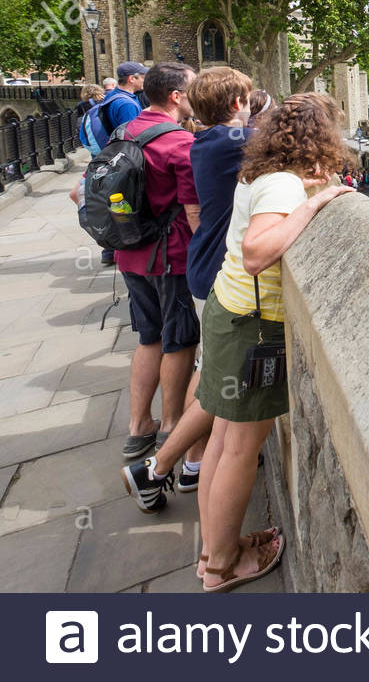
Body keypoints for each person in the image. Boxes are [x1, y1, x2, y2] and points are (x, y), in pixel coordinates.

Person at [195, 92, 354, 592]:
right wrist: (319, 201)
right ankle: (223, 566)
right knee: (241, 449)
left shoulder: (264, 173)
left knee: (221, 441)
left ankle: (212, 550)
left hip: (227, 310)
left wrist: (301, 193)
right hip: (251, 327)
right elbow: (257, 251)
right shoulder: (284, 184)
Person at [122, 66, 256, 513]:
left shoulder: (192, 139)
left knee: (201, 362)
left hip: (177, 263)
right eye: (248, 99)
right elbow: (287, 138)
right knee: (214, 374)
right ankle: (157, 466)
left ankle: (187, 459)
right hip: (205, 269)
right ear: (238, 104)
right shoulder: (223, 142)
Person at [115, 63, 202, 462]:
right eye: (192, 88)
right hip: (170, 258)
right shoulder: (179, 142)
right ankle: (169, 428)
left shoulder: (125, 131)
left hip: (129, 253)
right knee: (179, 339)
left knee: (148, 337)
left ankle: (137, 428)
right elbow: (193, 212)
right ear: (175, 96)